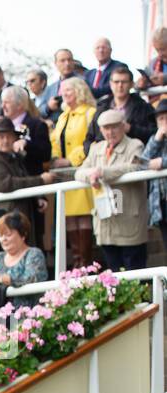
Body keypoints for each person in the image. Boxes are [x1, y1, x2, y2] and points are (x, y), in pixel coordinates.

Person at [75, 110, 149, 271]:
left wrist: (103, 172)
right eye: (105, 128)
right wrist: (91, 176)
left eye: (114, 127)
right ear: (100, 130)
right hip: (105, 222)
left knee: (135, 273)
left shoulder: (135, 145)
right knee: (113, 275)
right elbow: (79, 172)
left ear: (123, 126)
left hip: (129, 221)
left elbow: (136, 166)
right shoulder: (96, 149)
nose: (110, 132)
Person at [50, 76, 99, 269]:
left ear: (79, 90)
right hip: (64, 174)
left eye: (68, 90)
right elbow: (55, 140)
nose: (64, 94)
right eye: (63, 90)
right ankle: (77, 263)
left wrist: (71, 159)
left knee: (83, 216)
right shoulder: (63, 116)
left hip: (81, 169)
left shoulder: (90, 113)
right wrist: (55, 158)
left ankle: (86, 263)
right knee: (70, 217)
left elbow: (90, 141)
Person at [0, 118, 54, 240]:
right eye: (1, 137)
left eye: (9, 136)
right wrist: (40, 180)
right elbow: (6, 184)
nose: (5, 140)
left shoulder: (15, 156)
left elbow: (23, 177)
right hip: (5, 216)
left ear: (15, 138)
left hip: (20, 214)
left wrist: (38, 198)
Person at [83, 66, 156, 153]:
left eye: (124, 82)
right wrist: (93, 154)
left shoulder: (144, 107)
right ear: (110, 84)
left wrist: (131, 129)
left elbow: (154, 134)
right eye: (116, 82)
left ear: (131, 84)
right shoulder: (101, 108)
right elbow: (89, 138)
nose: (120, 85)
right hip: (103, 159)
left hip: (132, 157)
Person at [0, 212, 48, 295]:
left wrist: (0, 278)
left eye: (8, 235)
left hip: (27, 307)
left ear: (23, 234)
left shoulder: (34, 254)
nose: (3, 239)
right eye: (0, 235)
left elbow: (33, 279)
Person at [0, 85, 51, 176]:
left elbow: (46, 154)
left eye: (6, 102)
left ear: (19, 105)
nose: (2, 106)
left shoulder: (37, 125)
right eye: (2, 102)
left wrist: (27, 144)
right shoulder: (1, 127)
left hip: (31, 181)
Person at [146, 101, 167, 249]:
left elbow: (158, 163)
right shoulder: (155, 139)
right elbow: (141, 161)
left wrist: (163, 162)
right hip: (161, 203)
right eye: (161, 119)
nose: (165, 123)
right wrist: (158, 138)